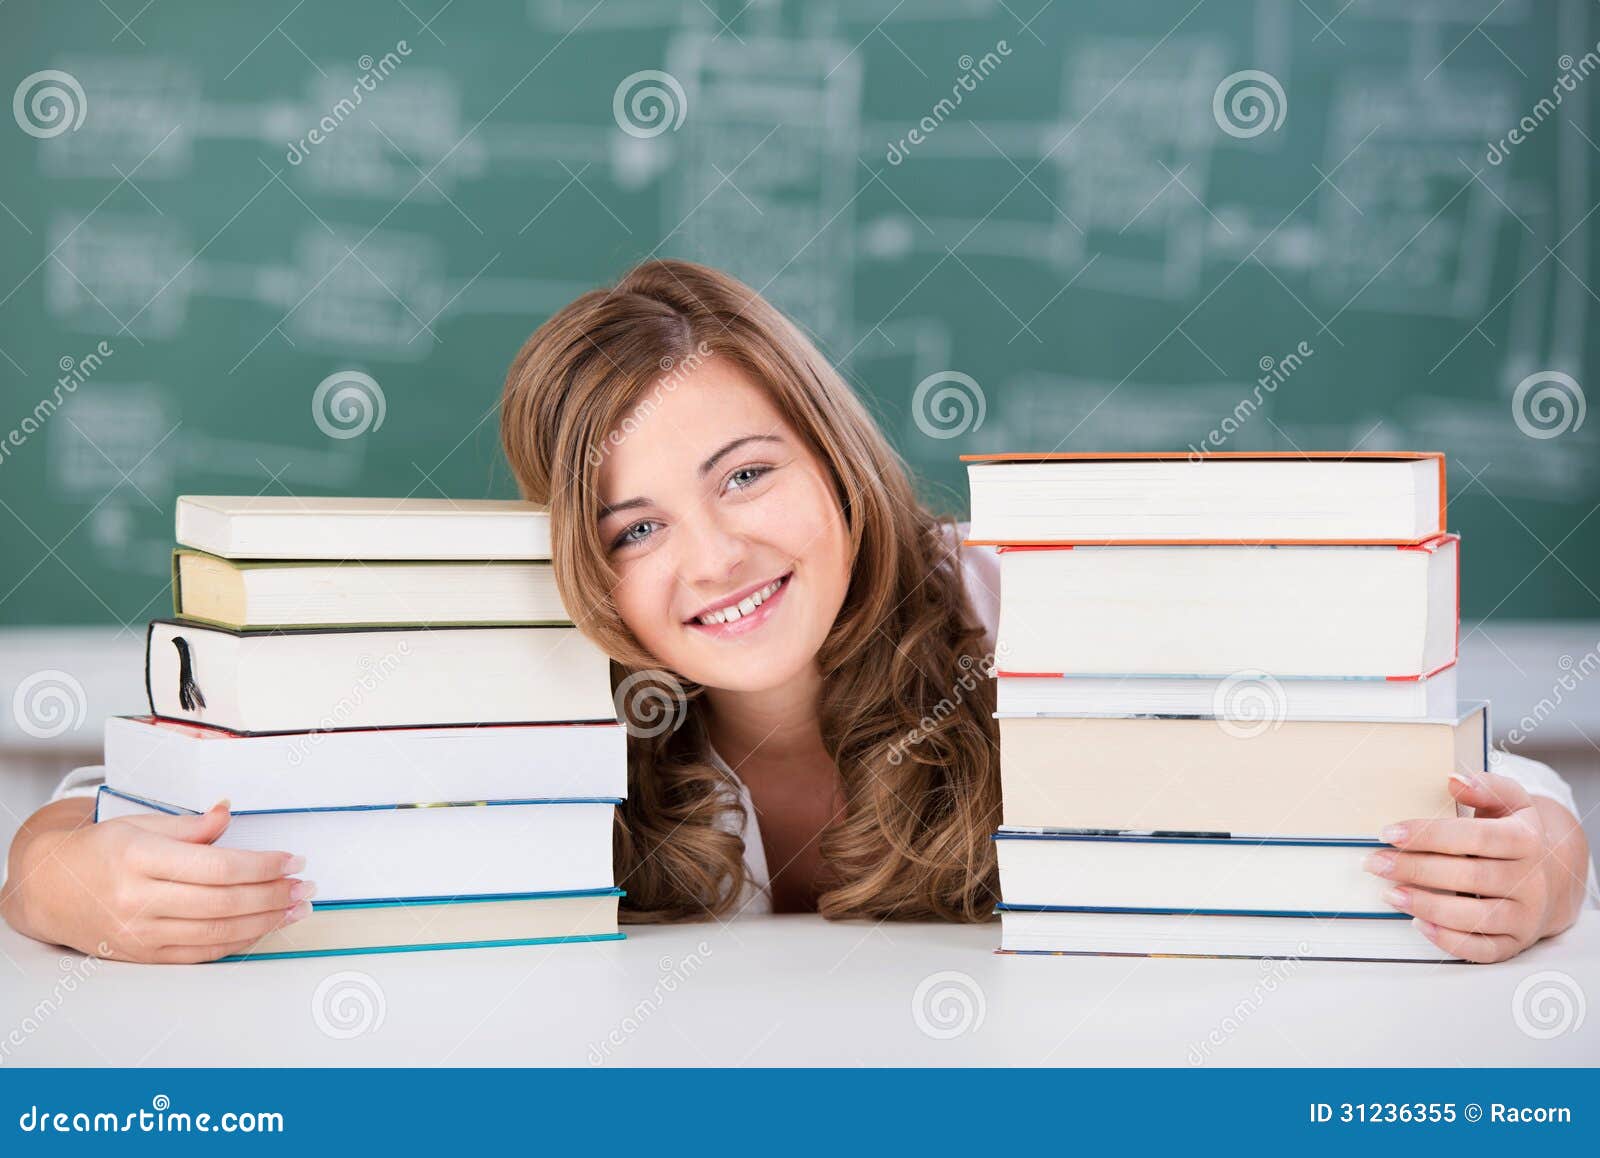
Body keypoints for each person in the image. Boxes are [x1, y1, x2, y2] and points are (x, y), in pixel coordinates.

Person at [4, 259, 1594, 964]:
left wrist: (1541, 858)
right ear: (582, 565)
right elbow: (95, 811)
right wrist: (66, 881)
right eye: (631, 525)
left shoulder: (1019, 604)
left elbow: (1462, 775)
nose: (709, 556)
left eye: (746, 472)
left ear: (833, 458)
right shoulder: (536, 688)